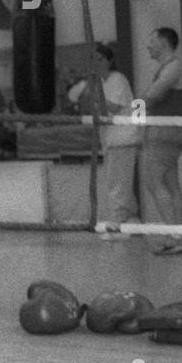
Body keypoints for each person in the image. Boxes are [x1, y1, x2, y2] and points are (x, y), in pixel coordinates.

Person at [66, 44, 139, 237]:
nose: (96, 64)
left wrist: (93, 95)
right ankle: (132, 222)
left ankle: (116, 225)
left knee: (117, 184)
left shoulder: (117, 79)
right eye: (92, 60)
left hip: (122, 139)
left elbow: (112, 108)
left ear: (109, 61)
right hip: (111, 140)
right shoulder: (99, 82)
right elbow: (86, 107)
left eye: (100, 59)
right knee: (120, 183)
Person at [139, 27, 182, 255]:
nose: (148, 45)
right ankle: (177, 236)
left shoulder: (174, 67)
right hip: (169, 131)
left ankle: (175, 235)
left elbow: (154, 94)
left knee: (153, 181)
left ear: (163, 42)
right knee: (170, 185)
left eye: (151, 40)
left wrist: (133, 110)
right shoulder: (170, 67)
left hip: (164, 132)